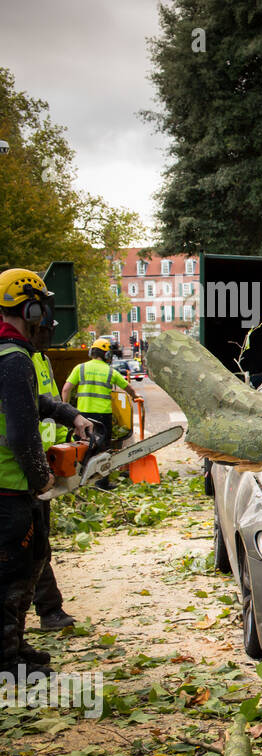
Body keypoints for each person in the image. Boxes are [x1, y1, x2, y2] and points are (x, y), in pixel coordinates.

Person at [0, 269, 95, 675]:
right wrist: (41, 477)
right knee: (10, 577)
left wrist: (68, 413)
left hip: (9, 486)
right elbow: (22, 433)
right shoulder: (14, 358)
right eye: (42, 308)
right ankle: (5, 662)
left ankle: (15, 648)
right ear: (31, 308)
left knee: (30, 564)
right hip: (7, 487)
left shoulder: (8, 354)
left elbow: (30, 403)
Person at [30, 323, 77, 631]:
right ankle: (49, 611)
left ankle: (49, 610)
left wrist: (67, 432)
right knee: (31, 545)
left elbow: (47, 402)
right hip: (20, 469)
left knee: (38, 541)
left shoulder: (40, 358)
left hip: (41, 460)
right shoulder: (12, 358)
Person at [62, 337, 139, 488]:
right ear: (107, 356)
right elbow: (128, 388)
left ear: (92, 352)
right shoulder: (110, 371)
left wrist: (65, 410)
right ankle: (102, 483)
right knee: (103, 450)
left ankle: (78, 483)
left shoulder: (80, 368)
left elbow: (66, 389)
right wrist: (135, 396)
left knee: (81, 448)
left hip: (82, 415)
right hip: (103, 416)